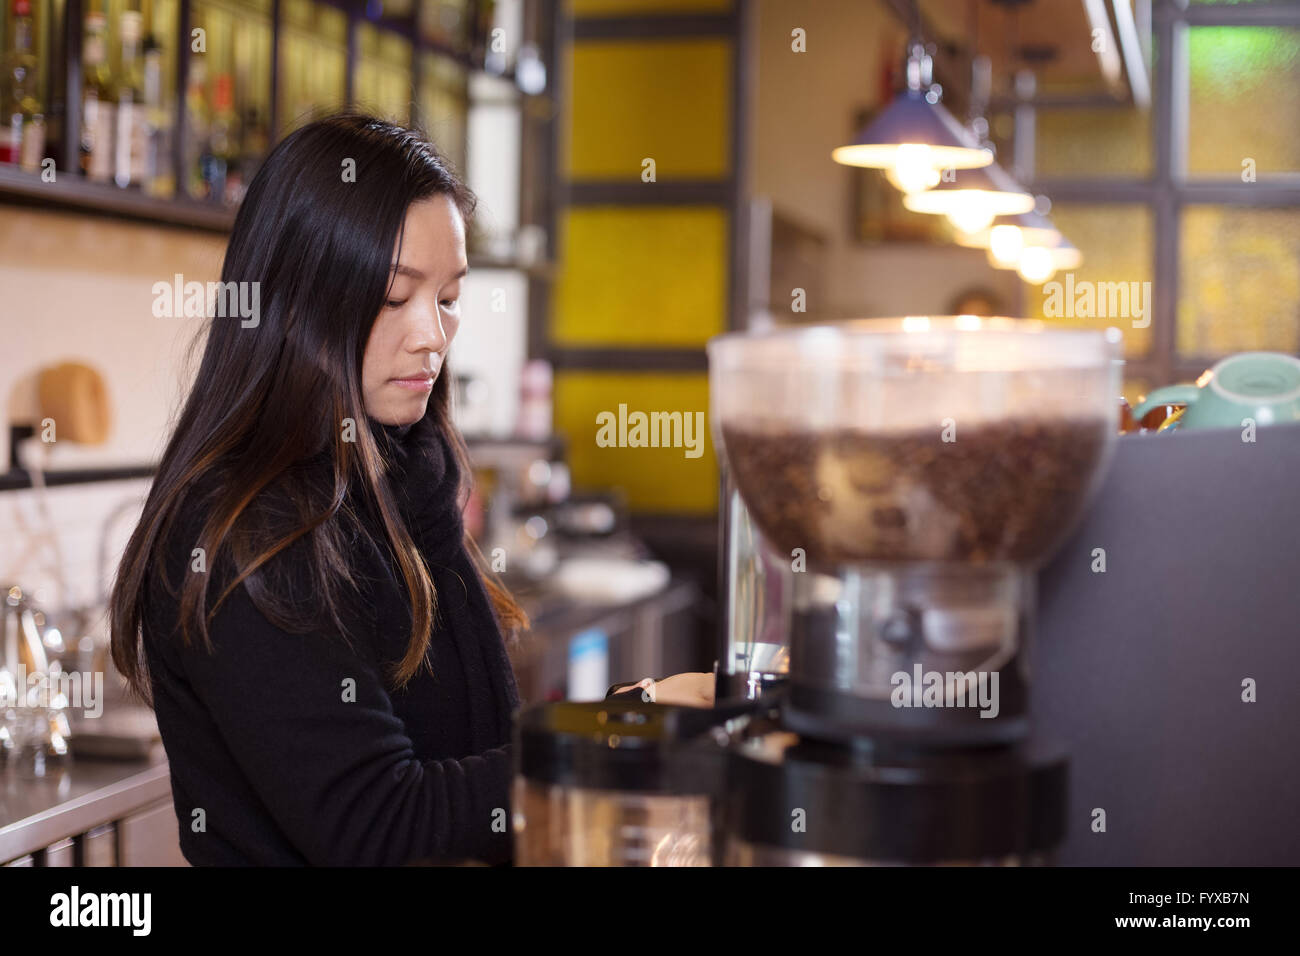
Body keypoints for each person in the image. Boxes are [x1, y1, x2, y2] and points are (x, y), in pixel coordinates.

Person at [108, 113, 710, 867]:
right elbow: (379, 819)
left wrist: (635, 716)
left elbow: (468, 761)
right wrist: (625, 741)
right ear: (301, 298)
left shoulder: (403, 481)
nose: (432, 334)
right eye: (397, 298)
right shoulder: (239, 530)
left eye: (450, 297)